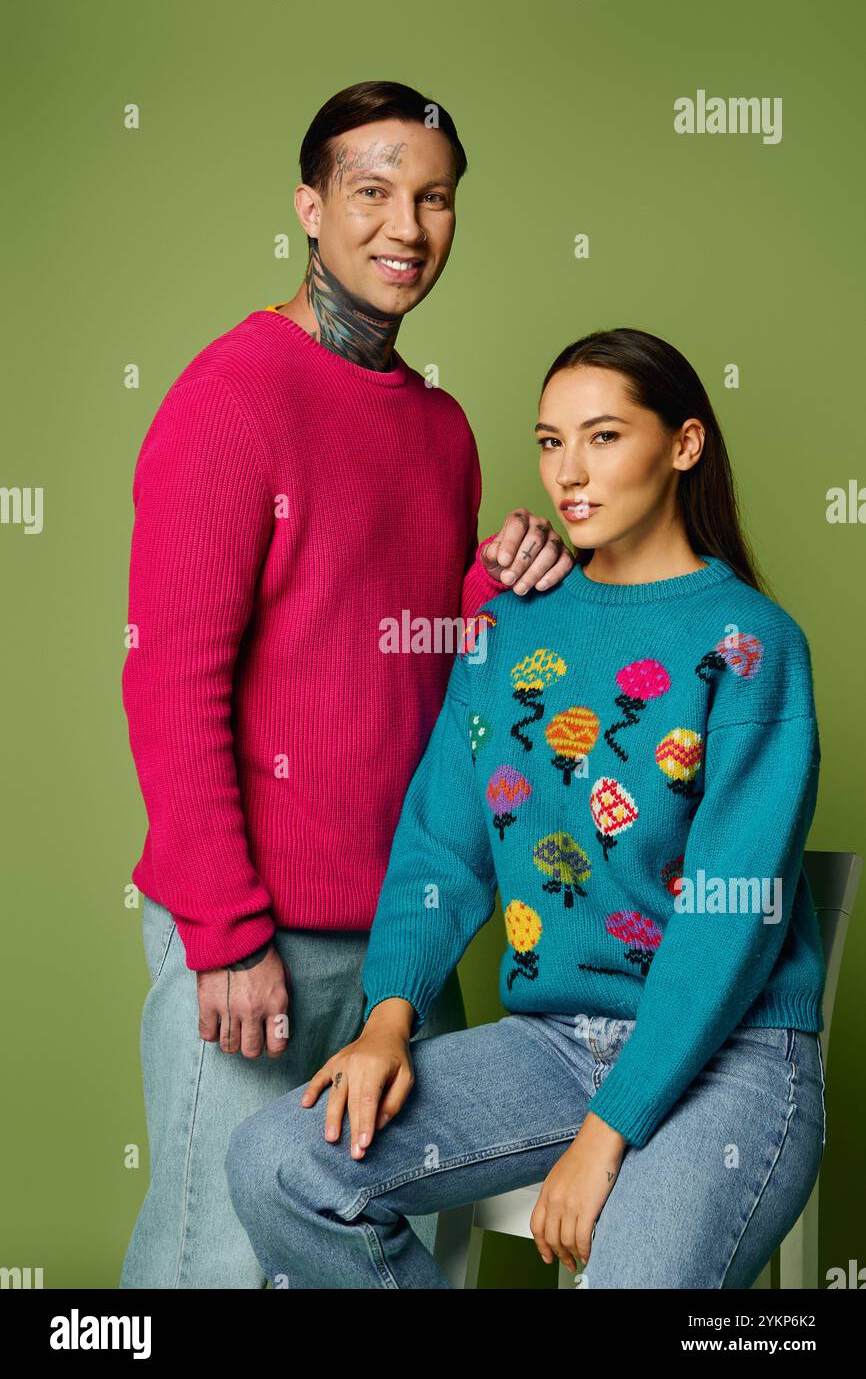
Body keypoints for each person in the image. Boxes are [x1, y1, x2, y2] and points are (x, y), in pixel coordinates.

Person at [225, 327, 828, 1290]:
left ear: (684, 445)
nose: (569, 473)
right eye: (551, 442)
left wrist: (605, 1138)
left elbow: (728, 924)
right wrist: (388, 1017)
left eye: (603, 437)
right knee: (275, 1163)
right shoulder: (506, 629)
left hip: (733, 1057)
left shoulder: (752, 646)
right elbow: (442, 844)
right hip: (550, 1045)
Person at [119, 79, 574, 1290]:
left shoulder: (442, 428)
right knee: (206, 1262)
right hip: (258, 931)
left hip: (405, 943)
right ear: (310, 208)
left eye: (432, 199)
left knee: (390, 1252)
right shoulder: (227, 399)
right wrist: (223, 933)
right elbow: (170, 684)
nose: (405, 227)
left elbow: (424, 660)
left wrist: (502, 584)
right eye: (372, 193)